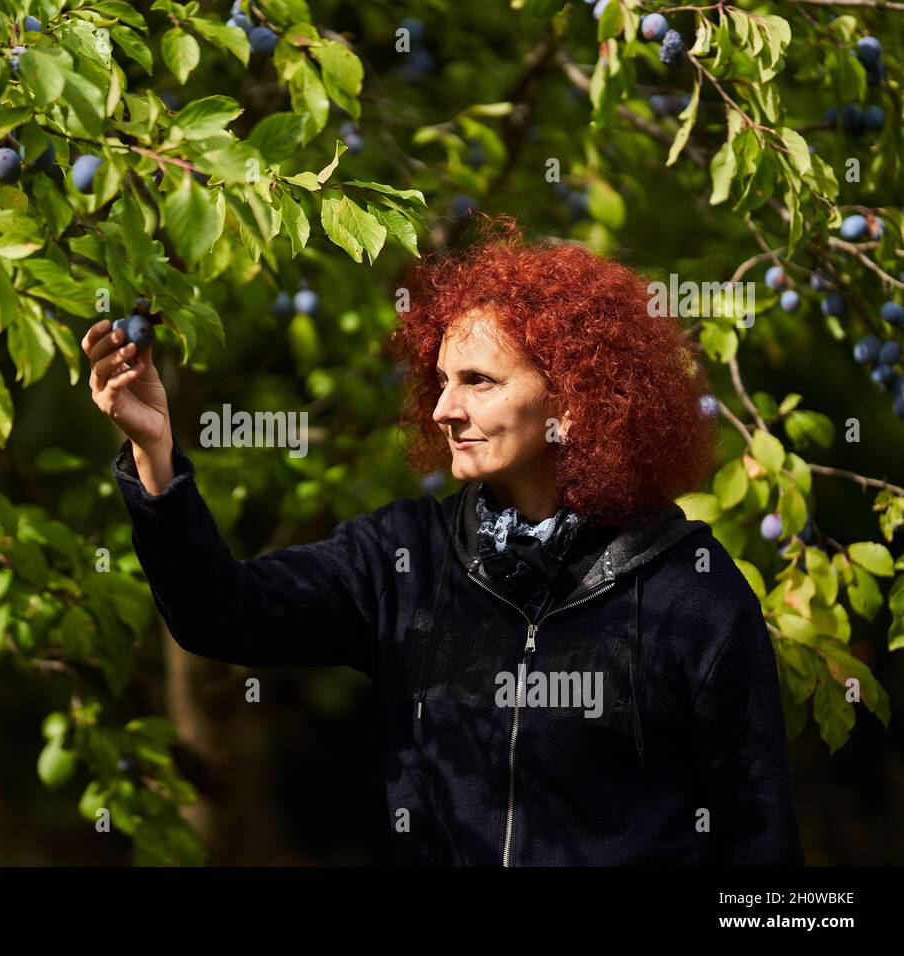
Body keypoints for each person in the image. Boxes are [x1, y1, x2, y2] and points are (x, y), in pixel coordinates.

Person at [81, 217, 804, 866]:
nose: (443, 408)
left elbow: (763, 842)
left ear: (575, 402)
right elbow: (220, 612)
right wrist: (155, 454)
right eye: (440, 381)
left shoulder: (692, 591)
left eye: (478, 382)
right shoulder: (402, 560)